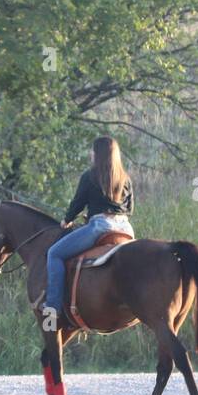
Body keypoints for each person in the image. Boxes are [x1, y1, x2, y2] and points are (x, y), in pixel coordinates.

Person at [44, 136, 135, 322]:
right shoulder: (125, 178)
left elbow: (78, 202)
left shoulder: (89, 176)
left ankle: (52, 308)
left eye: (93, 150)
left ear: (99, 154)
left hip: (100, 226)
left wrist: (66, 220)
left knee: (54, 254)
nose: (90, 153)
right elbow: (130, 208)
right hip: (125, 229)